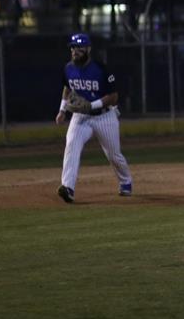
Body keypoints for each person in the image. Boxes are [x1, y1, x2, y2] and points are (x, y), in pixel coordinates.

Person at [55, 32, 132, 203]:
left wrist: (93, 105)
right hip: (80, 117)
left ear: (88, 49)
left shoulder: (101, 69)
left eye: (79, 47)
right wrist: (62, 111)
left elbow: (113, 96)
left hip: (104, 116)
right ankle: (68, 188)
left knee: (113, 155)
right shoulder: (68, 68)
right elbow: (67, 88)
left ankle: (126, 181)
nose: (75, 51)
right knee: (71, 146)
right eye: (73, 48)